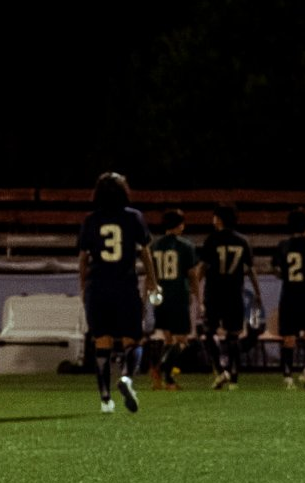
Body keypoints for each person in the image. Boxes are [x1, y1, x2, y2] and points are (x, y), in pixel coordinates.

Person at [79, 173, 151, 413]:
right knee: (133, 339)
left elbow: (83, 258)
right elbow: (145, 252)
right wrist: (153, 281)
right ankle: (127, 377)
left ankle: (105, 399)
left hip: (98, 285)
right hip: (125, 284)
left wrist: (83, 286)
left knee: (102, 342)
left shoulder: (91, 220)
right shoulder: (134, 217)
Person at [270, 208, 305, 389]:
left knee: (288, 338)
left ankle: (287, 377)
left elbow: (276, 270)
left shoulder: (282, 245)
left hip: (289, 294)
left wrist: (286, 276)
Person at [200, 206, 252, 391]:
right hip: (234, 292)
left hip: (214, 292)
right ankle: (234, 378)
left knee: (208, 332)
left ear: (219, 219)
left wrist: (196, 292)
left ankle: (220, 370)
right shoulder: (242, 240)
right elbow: (250, 269)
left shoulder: (212, 239)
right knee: (233, 336)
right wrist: (259, 294)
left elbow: (203, 267)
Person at [147, 211, 193, 388]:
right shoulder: (185, 246)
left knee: (168, 339)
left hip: (160, 297)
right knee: (182, 341)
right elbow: (191, 274)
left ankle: (167, 380)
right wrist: (195, 293)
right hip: (179, 295)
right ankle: (162, 369)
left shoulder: (154, 246)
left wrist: (147, 297)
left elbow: (150, 276)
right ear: (180, 224)